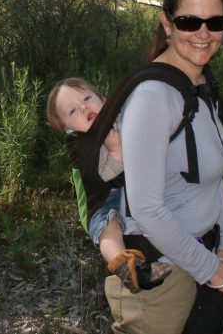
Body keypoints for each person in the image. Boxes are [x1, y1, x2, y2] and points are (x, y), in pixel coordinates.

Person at [110, 0, 223, 334]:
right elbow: (146, 208)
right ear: (166, 23)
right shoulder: (153, 98)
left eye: (215, 21)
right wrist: (212, 269)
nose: (204, 33)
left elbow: (213, 176)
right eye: (189, 21)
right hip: (163, 276)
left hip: (202, 258)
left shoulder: (200, 86)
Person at [46, 78, 175, 292]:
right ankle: (126, 268)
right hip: (99, 204)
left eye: (87, 98)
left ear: (105, 101)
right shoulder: (80, 145)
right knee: (109, 228)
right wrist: (116, 151)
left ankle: (154, 264)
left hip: (127, 195)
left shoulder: (120, 119)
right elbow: (103, 175)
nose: (84, 107)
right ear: (67, 129)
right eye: (72, 111)